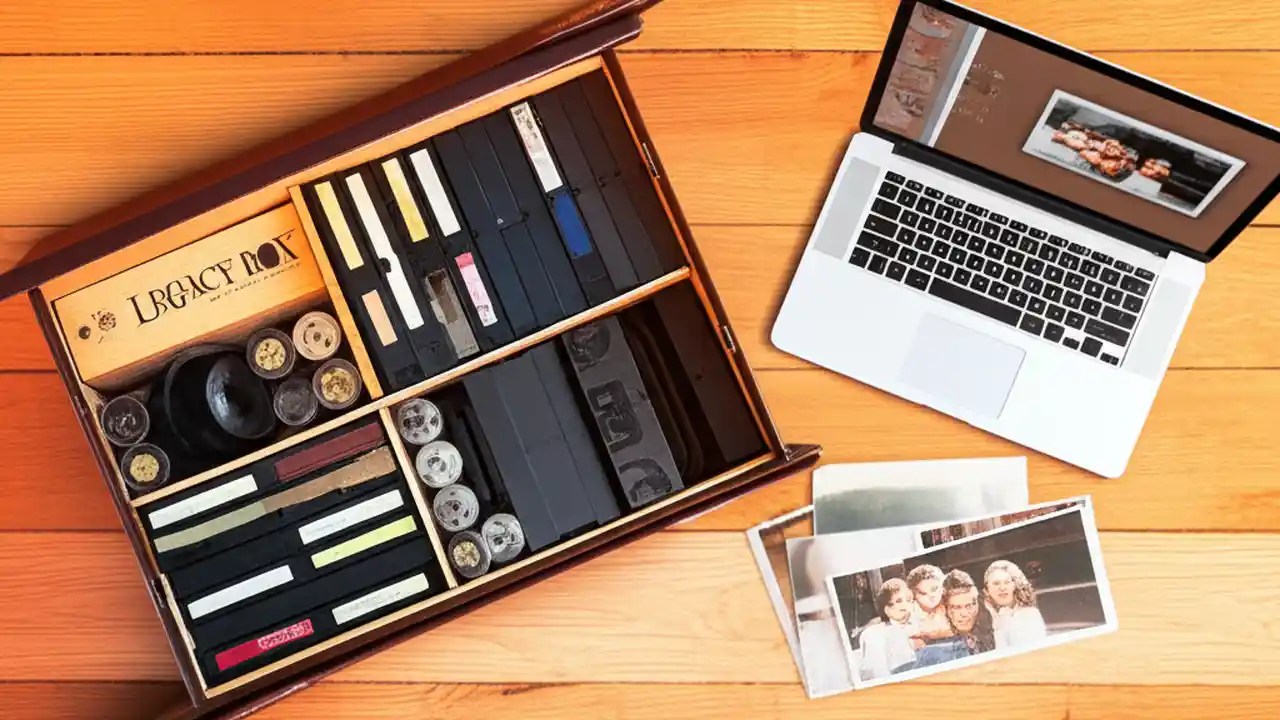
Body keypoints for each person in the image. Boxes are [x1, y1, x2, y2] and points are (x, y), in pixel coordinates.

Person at [913, 569, 996, 668]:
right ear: (944, 608)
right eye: (956, 607)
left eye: (969, 605)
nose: (965, 614)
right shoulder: (931, 651)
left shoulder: (990, 630)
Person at [856, 578, 917, 680]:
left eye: (909, 599)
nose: (906, 605)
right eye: (899, 601)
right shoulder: (874, 633)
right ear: (887, 609)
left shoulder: (919, 625)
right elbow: (877, 672)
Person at [984, 559, 1047, 649]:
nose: (1002, 588)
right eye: (996, 583)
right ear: (987, 590)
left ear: (1015, 585)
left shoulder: (1030, 615)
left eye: (1007, 582)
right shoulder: (987, 620)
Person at [905, 564, 950, 645]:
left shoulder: (952, 604)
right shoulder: (910, 614)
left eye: (934, 589)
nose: (931, 596)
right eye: (923, 593)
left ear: (942, 588)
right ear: (914, 596)